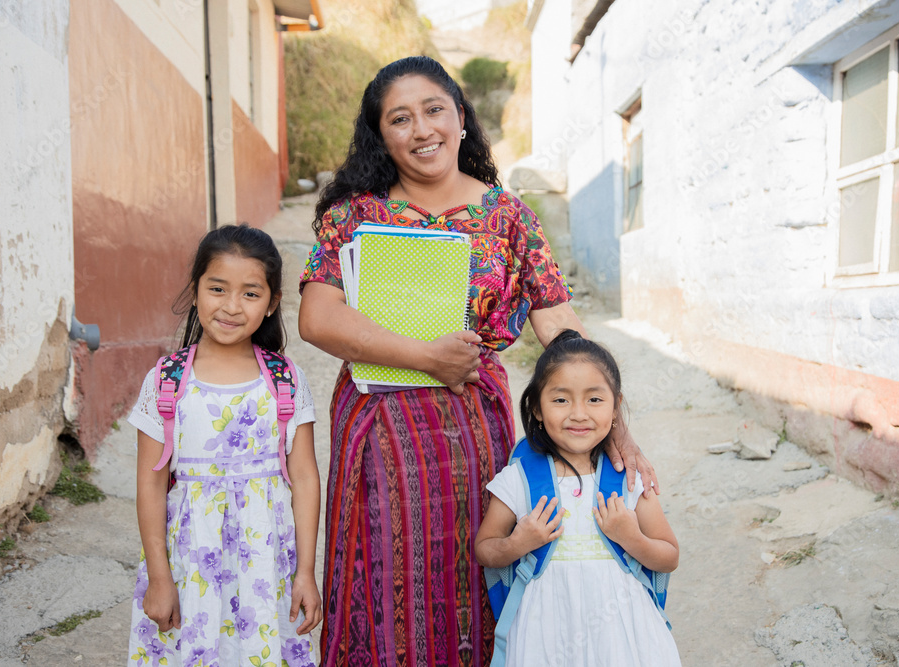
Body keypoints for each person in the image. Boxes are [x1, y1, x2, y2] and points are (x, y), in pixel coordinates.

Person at [298, 55, 657, 665]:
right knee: (384, 564)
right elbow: (317, 318)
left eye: (434, 110)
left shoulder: (508, 216)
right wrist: (424, 356)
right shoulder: (353, 216)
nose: (421, 130)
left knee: (480, 558)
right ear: (380, 136)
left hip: (473, 424)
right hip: (379, 421)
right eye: (400, 119)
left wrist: (615, 421)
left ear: (461, 118)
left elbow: (557, 323)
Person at [127, 224, 322, 667]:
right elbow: (150, 483)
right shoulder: (167, 381)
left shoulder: (286, 380)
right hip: (189, 564)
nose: (231, 306)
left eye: (251, 294)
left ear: (271, 303)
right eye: (218, 288)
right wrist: (160, 576)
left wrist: (305, 573)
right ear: (195, 291)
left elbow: (306, 479)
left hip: (265, 566)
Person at [474, 330, 681, 666]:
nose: (579, 414)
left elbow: (668, 556)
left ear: (616, 409)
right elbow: (485, 549)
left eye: (595, 400)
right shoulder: (520, 479)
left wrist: (631, 538)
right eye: (560, 400)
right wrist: (517, 543)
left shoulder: (628, 479)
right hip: (546, 634)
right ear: (537, 409)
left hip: (623, 634)